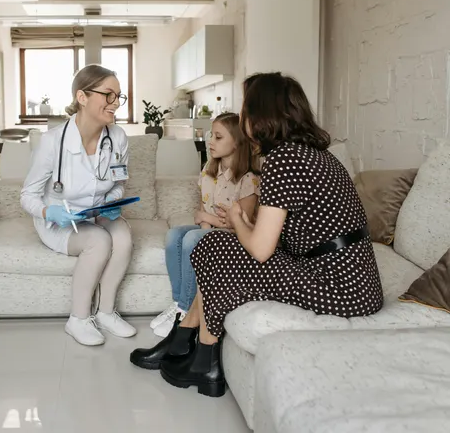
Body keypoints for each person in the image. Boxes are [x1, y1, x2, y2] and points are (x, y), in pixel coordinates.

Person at [130, 72, 383, 397]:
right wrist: (239, 226)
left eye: (246, 107)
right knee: (217, 246)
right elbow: (276, 237)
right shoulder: (315, 154)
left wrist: (237, 219)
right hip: (351, 282)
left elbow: (261, 249)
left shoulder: (284, 160)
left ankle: (201, 353)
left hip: (339, 288)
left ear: (260, 116)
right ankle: (190, 345)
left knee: (215, 248)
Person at [21, 64, 136, 347]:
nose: (115, 104)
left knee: (122, 236)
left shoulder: (118, 138)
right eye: (108, 95)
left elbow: (119, 182)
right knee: (98, 241)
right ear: (82, 97)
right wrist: (49, 211)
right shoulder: (52, 142)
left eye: (118, 97)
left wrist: (111, 201)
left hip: (96, 211)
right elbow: (27, 195)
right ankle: (79, 319)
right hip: (61, 220)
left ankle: (107, 312)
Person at [149, 113, 261, 338]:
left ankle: (186, 310)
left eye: (218, 137)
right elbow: (201, 214)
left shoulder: (249, 179)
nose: (210, 141)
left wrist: (208, 220)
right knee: (174, 235)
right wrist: (206, 224)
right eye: (211, 136)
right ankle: (179, 304)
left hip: (235, 237)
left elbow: (241, 223)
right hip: (214, 233)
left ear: (237, 142)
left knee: (191, 239)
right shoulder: (208, 173)